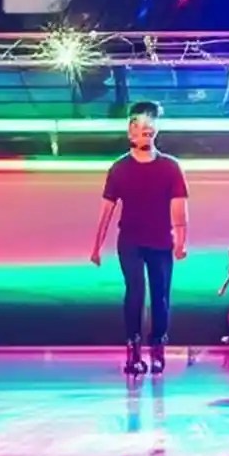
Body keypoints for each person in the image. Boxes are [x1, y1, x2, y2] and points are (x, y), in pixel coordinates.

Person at [89, 101, 189, 376]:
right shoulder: (119, 169)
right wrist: (96, 246)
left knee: (161, 296)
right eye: (139, 123)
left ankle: (158, 348)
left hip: (161, 242)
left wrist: (181, 240)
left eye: (150, 123)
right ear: (130, 131)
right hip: (130, 241)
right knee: (135, 292)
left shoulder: (170, 167)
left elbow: (179, 206)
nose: (145, 128)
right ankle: (133, 350)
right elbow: (106, 211)